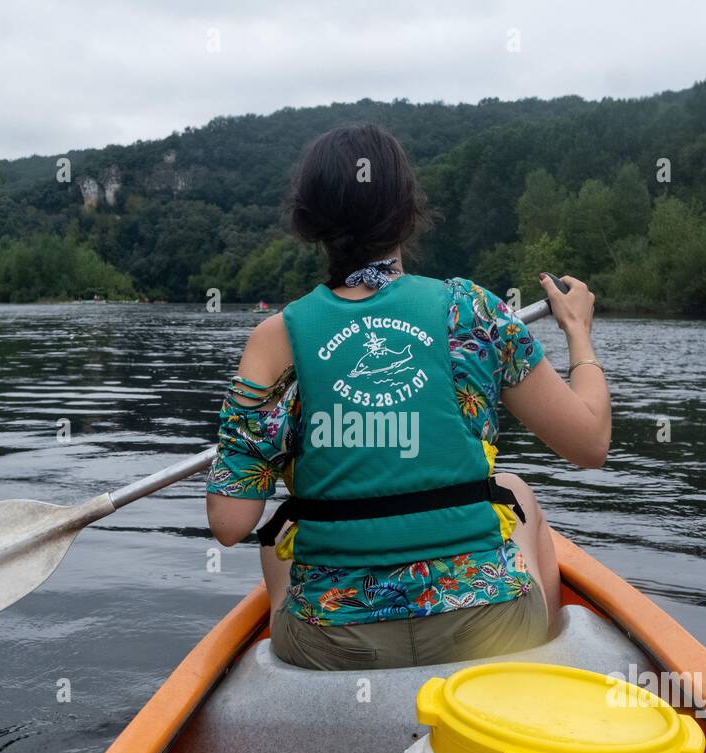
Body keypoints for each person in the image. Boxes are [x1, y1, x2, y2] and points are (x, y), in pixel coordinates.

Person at [206, 123, 610, 670]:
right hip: (489, 627)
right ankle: (537, 677)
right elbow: (590, 444)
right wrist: (577, 331)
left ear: (309, 222)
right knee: (515, 489)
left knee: (279, 529)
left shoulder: (275, 337)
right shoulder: (472, 312)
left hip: (331, 646)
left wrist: (257, 430)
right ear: (407, 212)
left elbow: (230, 523)